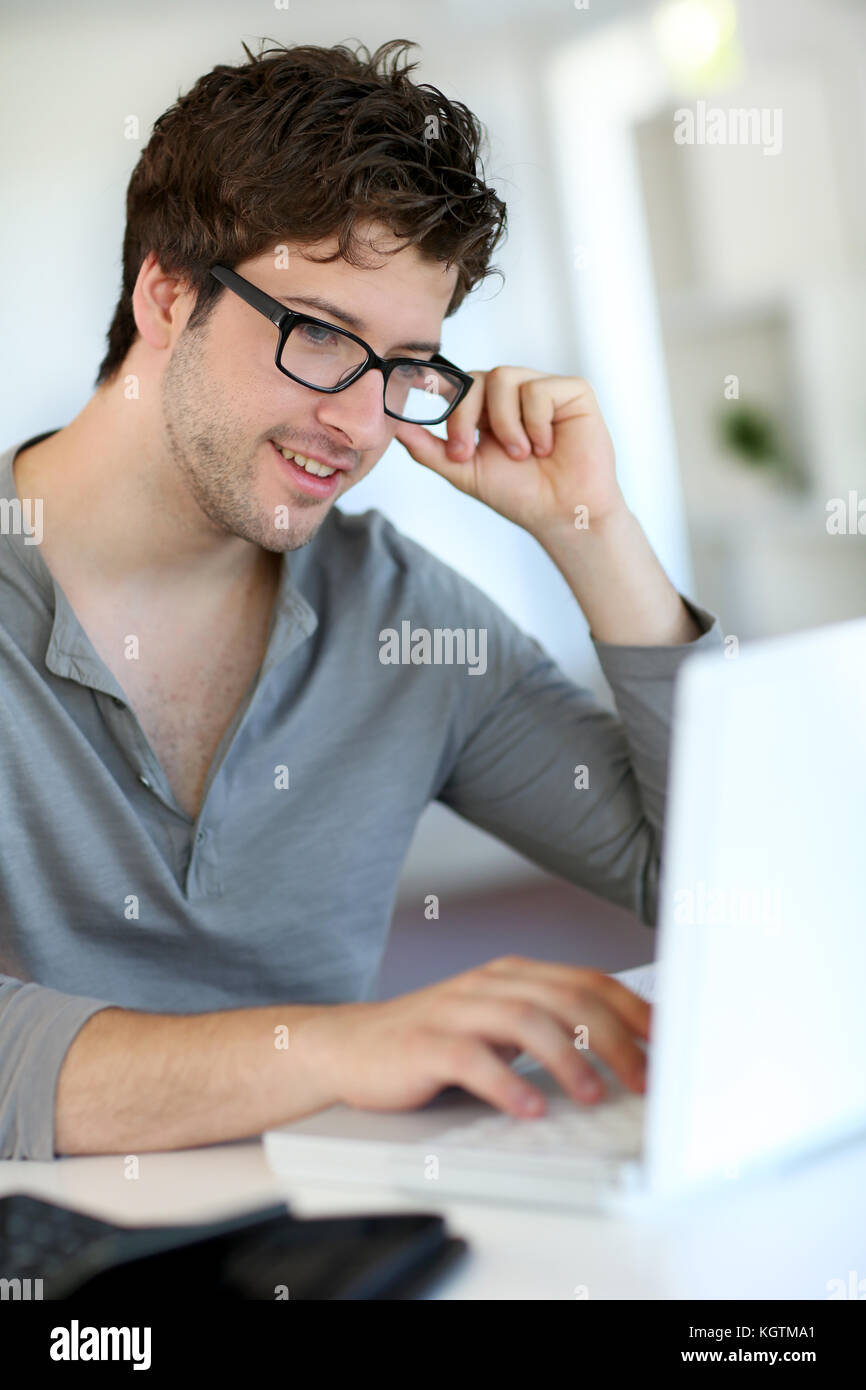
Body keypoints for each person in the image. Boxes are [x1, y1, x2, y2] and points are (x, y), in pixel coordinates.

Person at [0, 39, 721, 1161]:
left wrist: (595, 534)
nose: (361, 422)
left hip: (328, 1247)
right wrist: (333, 1049)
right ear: (165, 291)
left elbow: (719, 873)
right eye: (321, 336)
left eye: (403, 366)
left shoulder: (401, 619)